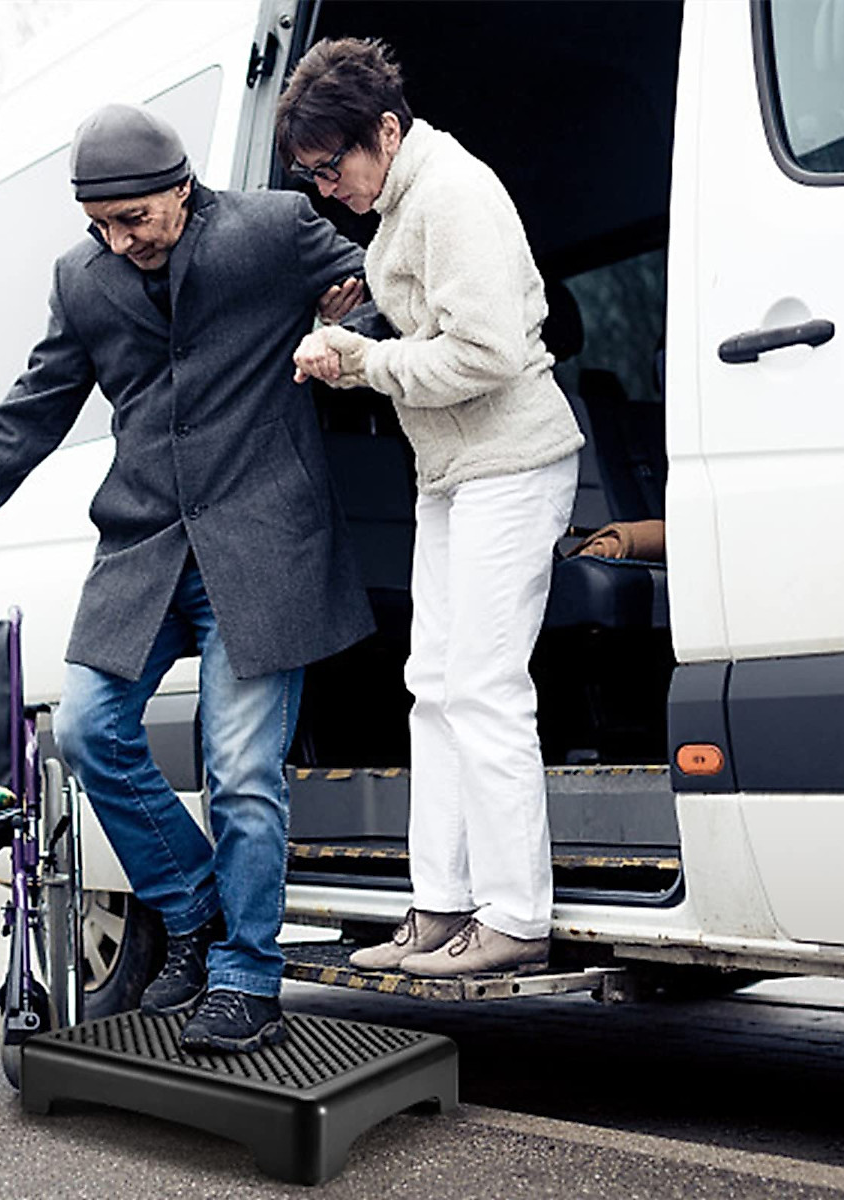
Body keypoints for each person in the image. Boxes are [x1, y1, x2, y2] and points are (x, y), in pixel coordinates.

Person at [0, 103, 375, 1052]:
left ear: (181, 188)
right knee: (88, 729)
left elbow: (377, 289)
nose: (121, 242)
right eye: (102, 226)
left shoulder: (270, 231)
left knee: (241, 771)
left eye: (135, 220)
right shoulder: (83, 280)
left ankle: (246, 977)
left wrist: (348, 320)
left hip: (261, 547)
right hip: (144, 550)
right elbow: (38, 401)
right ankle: (194, 906)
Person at [280, 39, 584, 977]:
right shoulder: (398, 210)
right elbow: (427, 332)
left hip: (511, 462)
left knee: (486, 688)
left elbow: (487, 351)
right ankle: (441, 905)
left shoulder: (451, 194)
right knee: (435, 685)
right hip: (452, 472)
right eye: (310, 176)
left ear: (386, 129)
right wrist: (352, 337)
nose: (327, 189)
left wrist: (365, 361)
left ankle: (515, 917)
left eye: (333, 166)